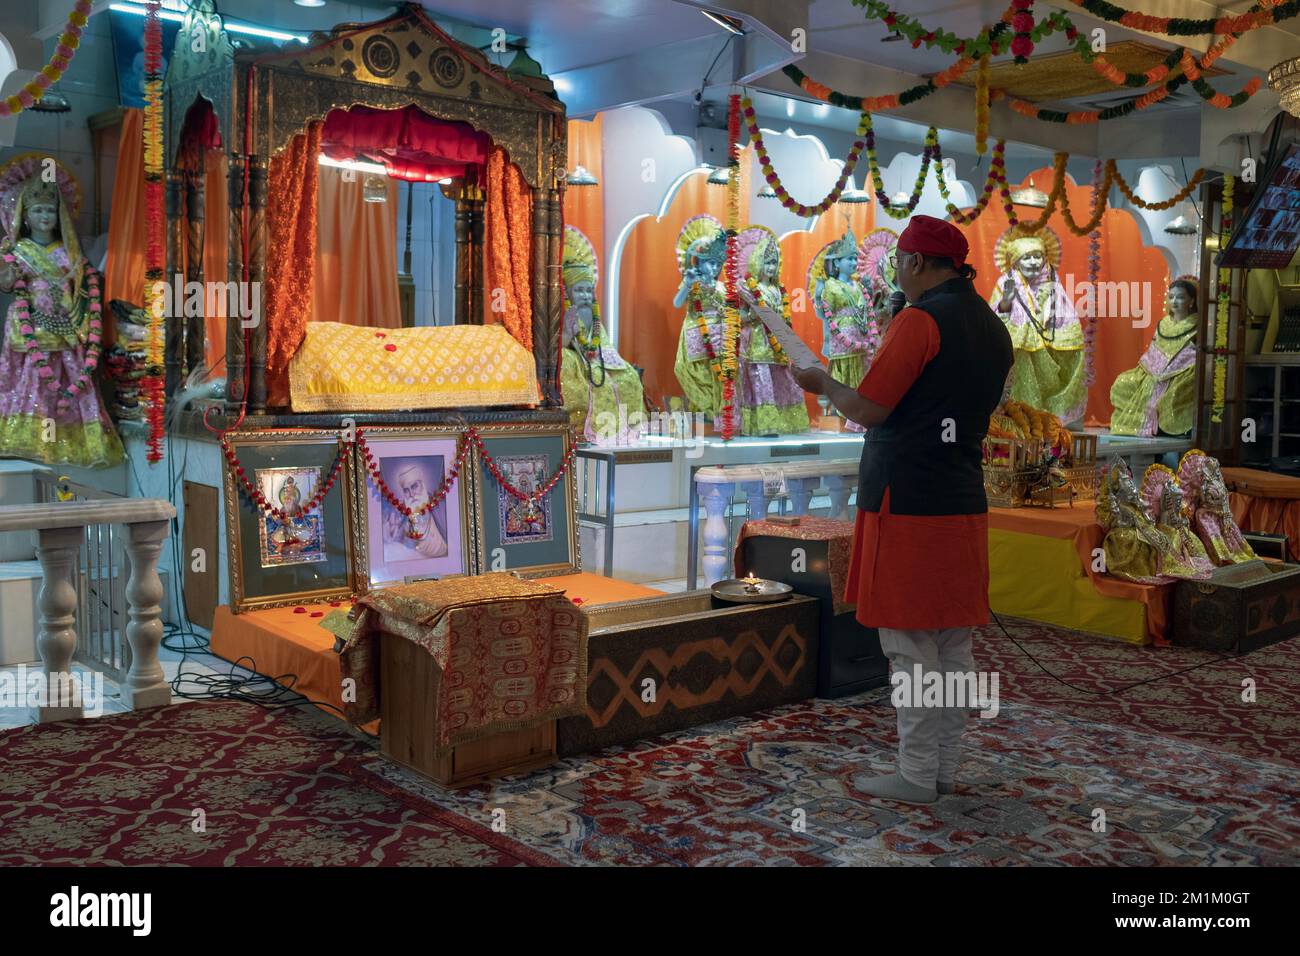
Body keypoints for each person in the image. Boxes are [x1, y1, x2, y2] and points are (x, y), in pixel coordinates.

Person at [793, 215, 1013, 805]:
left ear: (916, 263)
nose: (896, 272)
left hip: (908, 502)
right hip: (961, 499)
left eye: (898, 262)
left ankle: (915, 775)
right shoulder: (992, 326)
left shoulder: (919, 321)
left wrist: (822, 384)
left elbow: (868, 408)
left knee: (910, 646)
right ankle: (941, 769)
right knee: (952, 644)